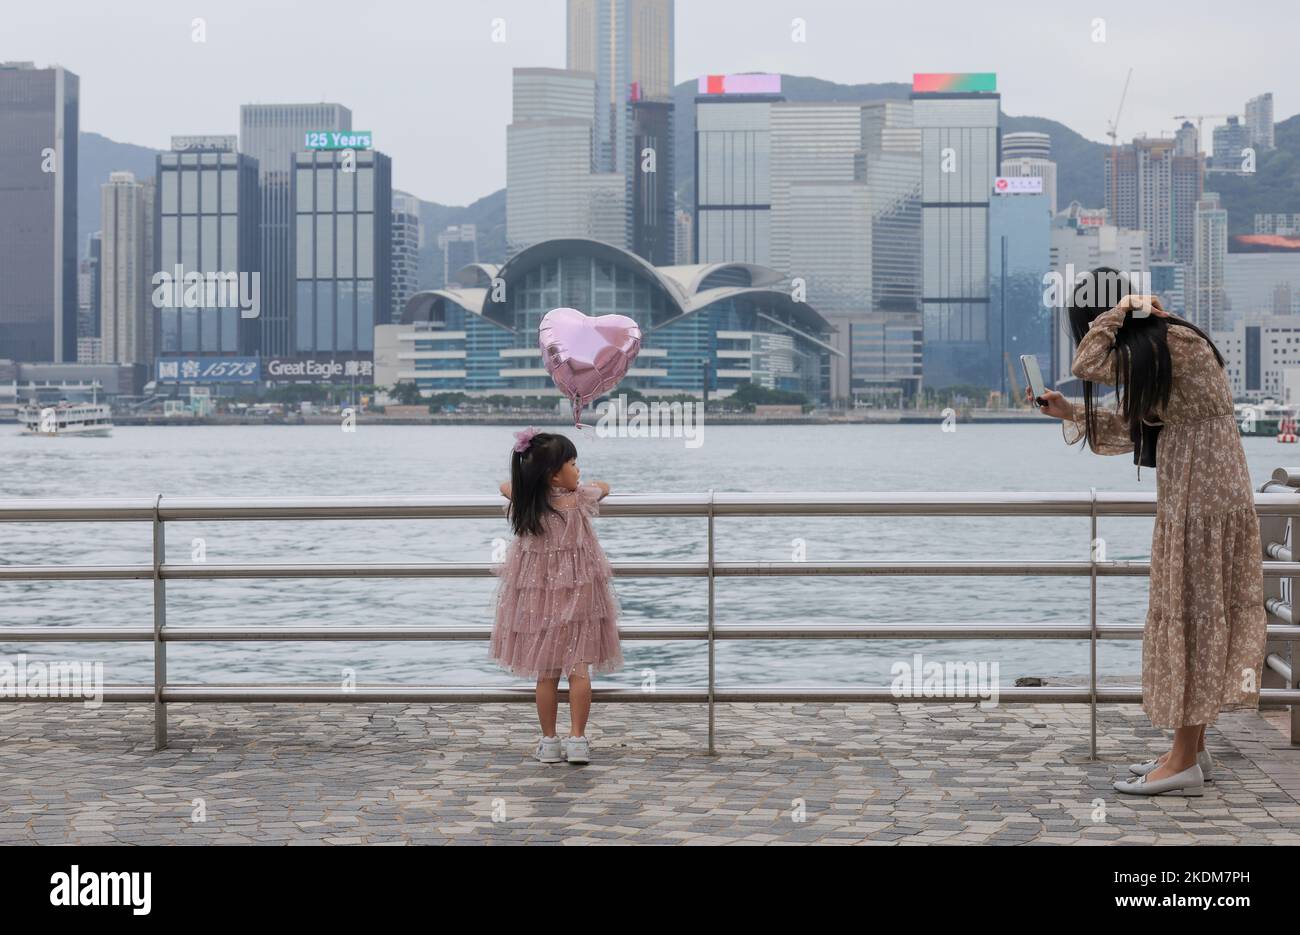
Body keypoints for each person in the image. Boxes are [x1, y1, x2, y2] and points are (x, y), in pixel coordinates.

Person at [1032, 268, 1266, 797]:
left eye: (1092, 321)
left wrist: (1120, 310)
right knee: (1199, 617)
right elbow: (1138, 424)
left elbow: (1086, 363)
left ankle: (1183, 763)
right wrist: (1069, 411)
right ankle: (1191, 752)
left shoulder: (1173, 342)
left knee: (1193, 620)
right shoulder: (1162, 348)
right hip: (1201, 498)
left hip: (1202, 505)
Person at [490, 426, 623, 765]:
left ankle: (549, 741)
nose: (578, 470)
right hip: (580, 601)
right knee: (579, 670)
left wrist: (528, 485)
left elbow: (506, 486)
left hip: (539, 604)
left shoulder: (528, 503)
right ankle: (577, 739)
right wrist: (588, 484)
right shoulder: (578, 499)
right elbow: (604, 487)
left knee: (546, 674)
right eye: (573, 464)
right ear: (554, 475)